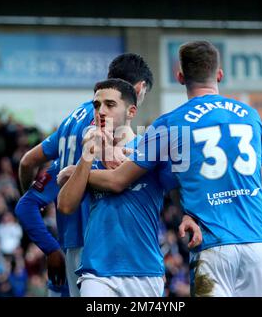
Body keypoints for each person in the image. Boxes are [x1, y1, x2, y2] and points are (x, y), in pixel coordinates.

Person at [86, 41, 262, 297]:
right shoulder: (251, 116)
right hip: (260, 239)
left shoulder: (168, 123)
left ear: (179, 76)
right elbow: (258, 183)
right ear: (219, 74)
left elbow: (118, 180)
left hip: (213, 243)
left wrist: (75, 174)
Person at [15, 53, 156, 297]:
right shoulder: (104, 122)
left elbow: (27, 162)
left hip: (70, 239)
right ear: (140, 89)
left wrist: (48, 234)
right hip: (102, 243)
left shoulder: (73, 117)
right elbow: (110, 163)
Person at [58, 78, 201, 297]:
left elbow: (179, 188)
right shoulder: (90, 153)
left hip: (146, 271)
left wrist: (188, 215)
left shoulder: (152, 150)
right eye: (97, 105)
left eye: (110, 105)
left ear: (131, 111)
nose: (101, 111)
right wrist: (86, 157)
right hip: (97, 273)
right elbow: (66, 206)